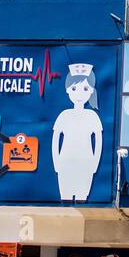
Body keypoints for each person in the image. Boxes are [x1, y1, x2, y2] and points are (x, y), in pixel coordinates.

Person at [51, 63, 103, 201]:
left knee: (82, 198)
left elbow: (98, 143)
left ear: (91, 91)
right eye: (74, 88)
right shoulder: (64, 115)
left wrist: (94, 164)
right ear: (67, 90)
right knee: (66, 197)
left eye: (85, 88)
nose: (79, 93)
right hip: (65, 162)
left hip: (86, 162)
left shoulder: (93, 116)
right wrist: (56, 163)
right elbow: (55, 140)